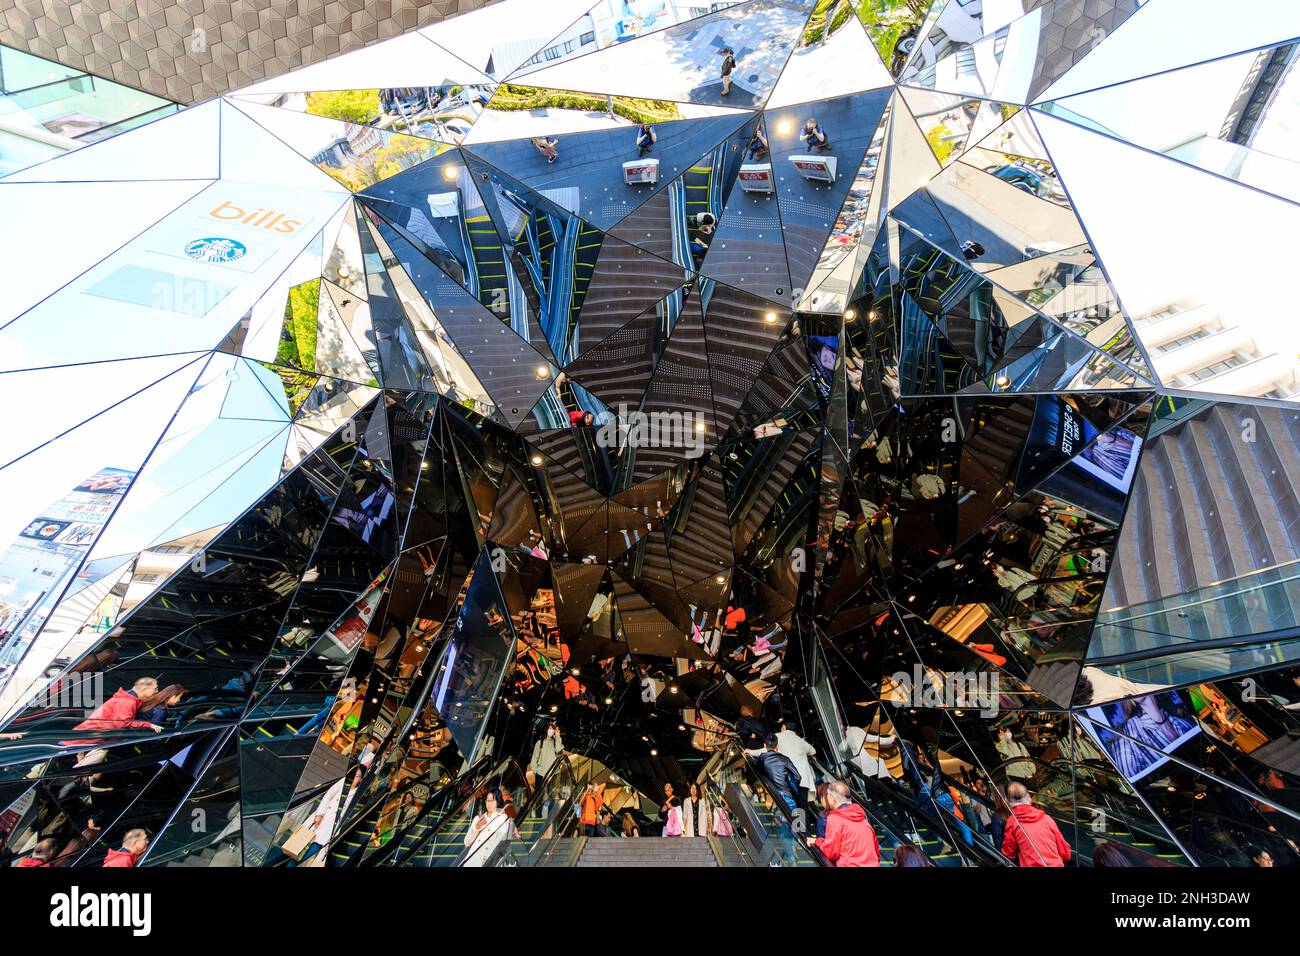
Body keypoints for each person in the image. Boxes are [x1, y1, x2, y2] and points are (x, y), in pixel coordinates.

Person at [809, 780, 880, 866]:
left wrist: (817, 841)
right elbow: (876, 853)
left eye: (828, 795)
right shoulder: (863, 820)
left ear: (833, 798)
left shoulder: (835, 819)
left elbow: (831, 852)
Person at [1001, 782, 1071, 867]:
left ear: (1006, 802)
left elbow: (1008, 853)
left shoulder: (1012, 822)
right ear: (1029, 798)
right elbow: (1064, 852)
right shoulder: (1046, 819)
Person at [72, 677, 163, 733]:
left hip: (90, 734)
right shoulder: (128, 702)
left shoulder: (128, 698)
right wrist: (149, 725)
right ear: (144, 689)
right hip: (89, 737)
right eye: (155, 689)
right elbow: (122, 723)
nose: (157, 691)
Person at [463, 789, 517, 866]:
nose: (489, 803)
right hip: (471, 862)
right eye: (488, 800)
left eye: (493, 800)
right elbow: (467, 843)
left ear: (498, 802)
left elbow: (501, 842)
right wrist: (476, 828)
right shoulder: (478, 818)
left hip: (488, 862)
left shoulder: (502, 818)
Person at [756, 735, 804, 820]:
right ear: (777, 746)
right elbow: (798, 777)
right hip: (787, 796)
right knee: (796, 825)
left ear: (764, 745)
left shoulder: (760, 760)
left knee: (781, 826)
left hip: (771, 797)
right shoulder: (784, 759)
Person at [775, 720, 817, 800]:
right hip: (803, 779)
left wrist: (751, 751)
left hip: (789, 777)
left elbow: (768, 749)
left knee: (794, 803)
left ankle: (797, 813)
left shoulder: (778, 736)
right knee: (803, 804)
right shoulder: (800, 741)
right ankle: (802, 812)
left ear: (783, 727)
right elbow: (813, 751)